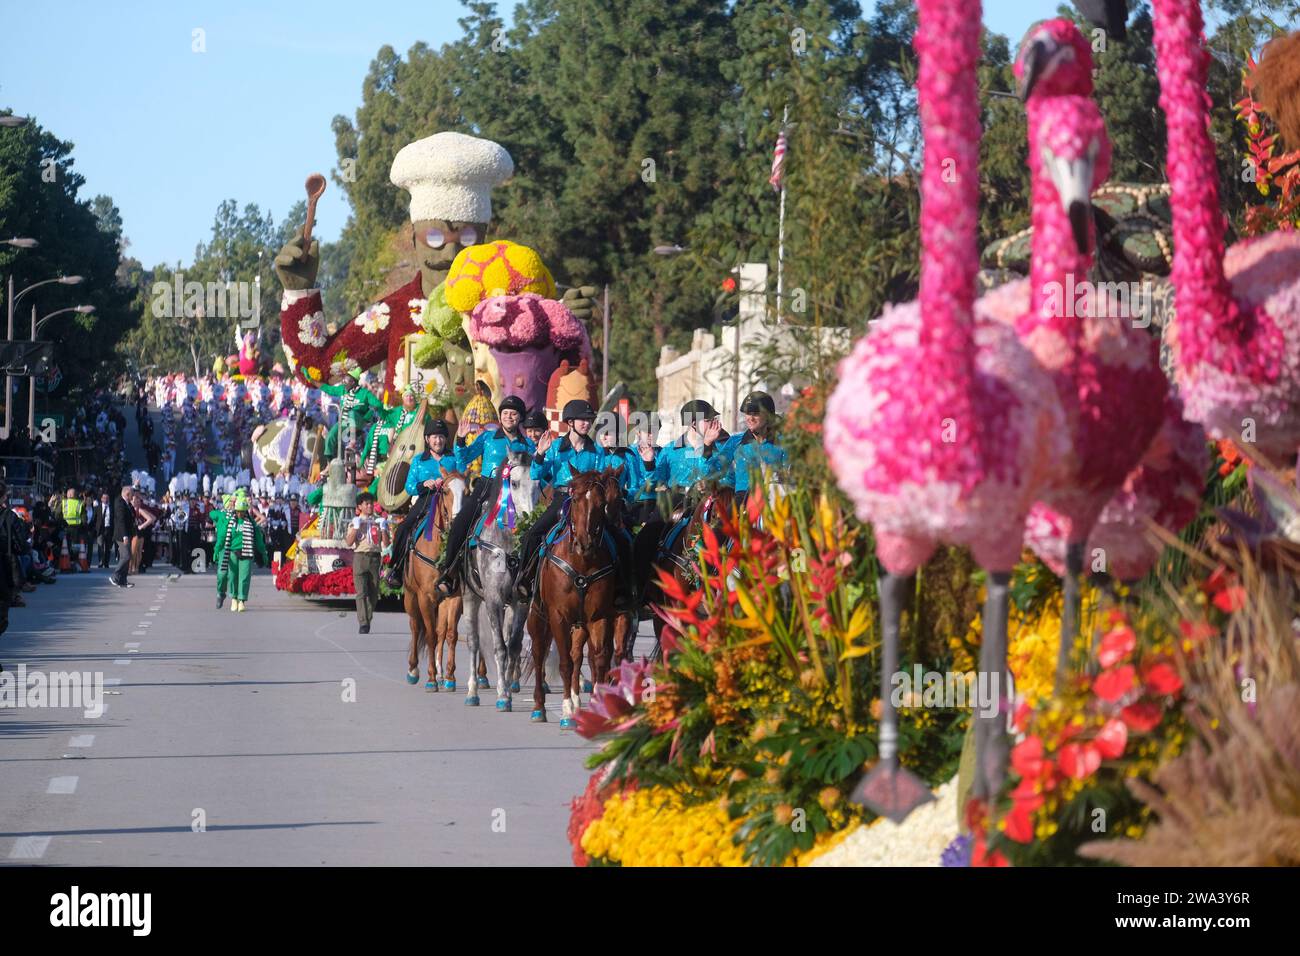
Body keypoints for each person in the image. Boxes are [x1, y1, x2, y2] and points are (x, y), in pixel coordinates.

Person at [513, 399, 633, 610]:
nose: (586, 423)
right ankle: (525, 579)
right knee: (533, 534)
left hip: (590, 503)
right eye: (582, 420)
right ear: (570, 422)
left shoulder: (597, 450)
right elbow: (535, 474)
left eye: (589, 420)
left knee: (619, 537)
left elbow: (605, 477)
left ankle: (622, 588)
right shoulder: (555, 446)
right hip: (562, 499)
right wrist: (540, 454)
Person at [435, 394, 534, 596]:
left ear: (520, 418)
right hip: (487, 487)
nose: (509, 417)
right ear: (501, 416)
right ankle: (449, 573)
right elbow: (464, 459)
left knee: (534, 530)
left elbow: (535, 472)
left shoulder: (528, 446)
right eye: (505, 413)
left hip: (516, 492)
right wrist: (461, 440)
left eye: (513, 414)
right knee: (461, 523)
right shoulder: (488, 438)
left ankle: (529, 578)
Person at [632, 399, 730, 590]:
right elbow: (654, 483)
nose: (714, 424)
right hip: (676, 501)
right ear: (693, 423)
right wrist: (649, 463)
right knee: (645, 538)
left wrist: (708, 447)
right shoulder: (670, 450)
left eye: (714, 419)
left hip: (708, 502)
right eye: (708, 420)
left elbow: (724, 477)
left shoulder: (718, 451)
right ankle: (640, 590)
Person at [386, 419, 458, 587]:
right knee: (404, 527)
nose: (438, 440)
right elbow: (409, 486)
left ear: (446, 439)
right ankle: (395, 567)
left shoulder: (453, 458)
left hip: (449, 500)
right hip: (426, 500)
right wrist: (423, 484)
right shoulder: (418, 460)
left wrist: (447, 481)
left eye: (441, 437)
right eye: (434, 437)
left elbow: (461, 477)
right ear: (427, 439)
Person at [718, 391, 788, 497]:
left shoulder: (782, 442)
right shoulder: (735, 441)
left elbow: (791, 473)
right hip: (743, 499)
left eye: (755, 414)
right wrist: (707, 444)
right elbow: (715, 469)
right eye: (747, 414)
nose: (750, 418)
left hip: (773, 497)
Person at [346, 492, 390, 634]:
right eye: (367, 504)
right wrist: (356, 528)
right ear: (360, 506)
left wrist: (383, 528)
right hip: (360, 557)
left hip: (375, 558)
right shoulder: (355, 521)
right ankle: (363, 622)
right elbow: (349, 542)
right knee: (361, 592)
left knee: (374, 591)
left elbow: (386, 543)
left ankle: (368, 618)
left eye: (371, 503)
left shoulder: (378, 521)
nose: (370, 506)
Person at [216, 491, 267, 612]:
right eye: (238, 511)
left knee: (244, 577)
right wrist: (217, 549)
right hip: (232, 552)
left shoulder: (250, 523)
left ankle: (242, 600)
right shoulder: (230, 522)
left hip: (247, 553)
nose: (240, 514)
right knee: (233, 577)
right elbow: (222, 536)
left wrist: (263, 552)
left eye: (242, 511)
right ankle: (234, 598)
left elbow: (258, 538)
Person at [319, 368, 385, 460]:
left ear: (353, 382)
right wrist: (312, 380)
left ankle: (352, 442)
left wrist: (370, 412)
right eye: (344, 380)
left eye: (346, 380)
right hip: (345, 422)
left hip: (360, 421)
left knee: (352, 413)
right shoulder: (342, 389)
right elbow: (328, 389)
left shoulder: (364, 393)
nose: (344, 382)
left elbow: (378, 404)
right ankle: (329, 464)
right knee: (330, 436)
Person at [110, 484, 138, 589]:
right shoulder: (119, 503)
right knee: (126, 556)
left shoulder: (127, 503)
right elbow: (121, 521)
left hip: (128, 533)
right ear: (127, 494)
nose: (133, 496)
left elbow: (133, 515)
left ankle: (123, 580)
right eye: (132, 494)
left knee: (126, 557)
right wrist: (125, 536)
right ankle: (115, 576)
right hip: (121, 535)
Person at [210, 494, 235, 608]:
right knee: (222, 573)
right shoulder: (221, 514)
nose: (232, 505)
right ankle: (220, 593)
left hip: (235, 547)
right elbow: (211, 514)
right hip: (223, 548)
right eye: (230, 503)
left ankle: (235, 595)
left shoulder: (239, 515)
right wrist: (219, 512)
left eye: (233, 503)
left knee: (233, 573)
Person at [96, 491, 115, 568]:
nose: (106, 499)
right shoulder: (97, 508)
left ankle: (106, 562)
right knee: (100, 546)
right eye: (104, 498)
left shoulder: (111, 508)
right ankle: (101, 562)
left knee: (108, 547)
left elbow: (114, 519)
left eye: (107, 498)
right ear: (101, 499)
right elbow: (94, 519)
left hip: (109, 529)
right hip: (100, 530)